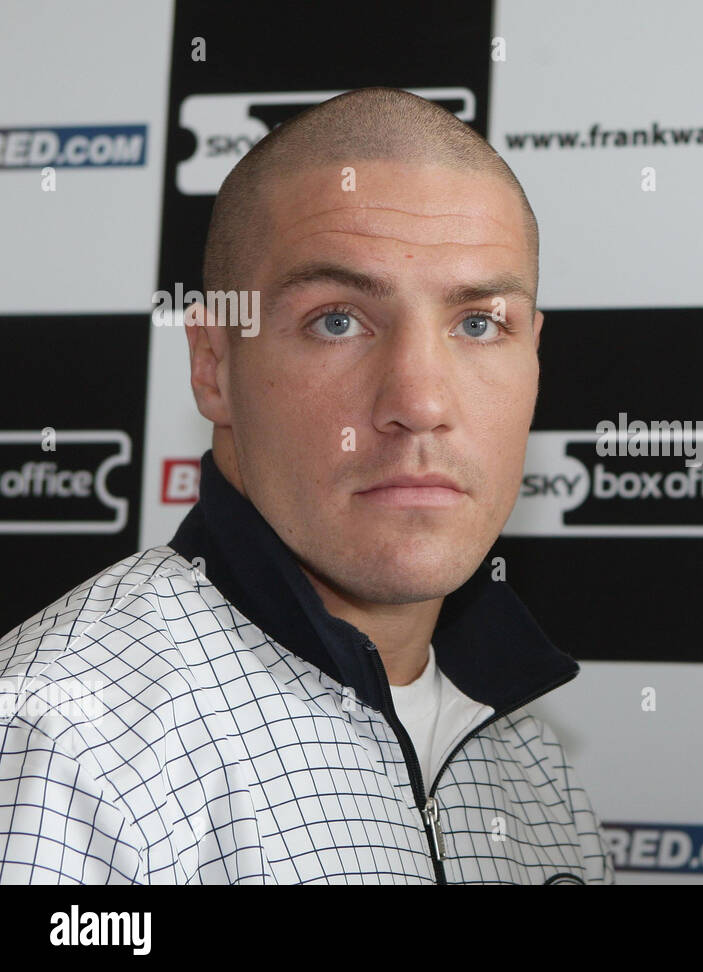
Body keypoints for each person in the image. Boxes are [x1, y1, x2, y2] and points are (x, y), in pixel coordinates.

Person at [0, 88, 613, 884]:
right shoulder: (64, 741)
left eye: (477, 323)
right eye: (337, 320)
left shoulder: (534, 766)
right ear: (213, 364)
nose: (421, 402)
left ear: (533, 356)